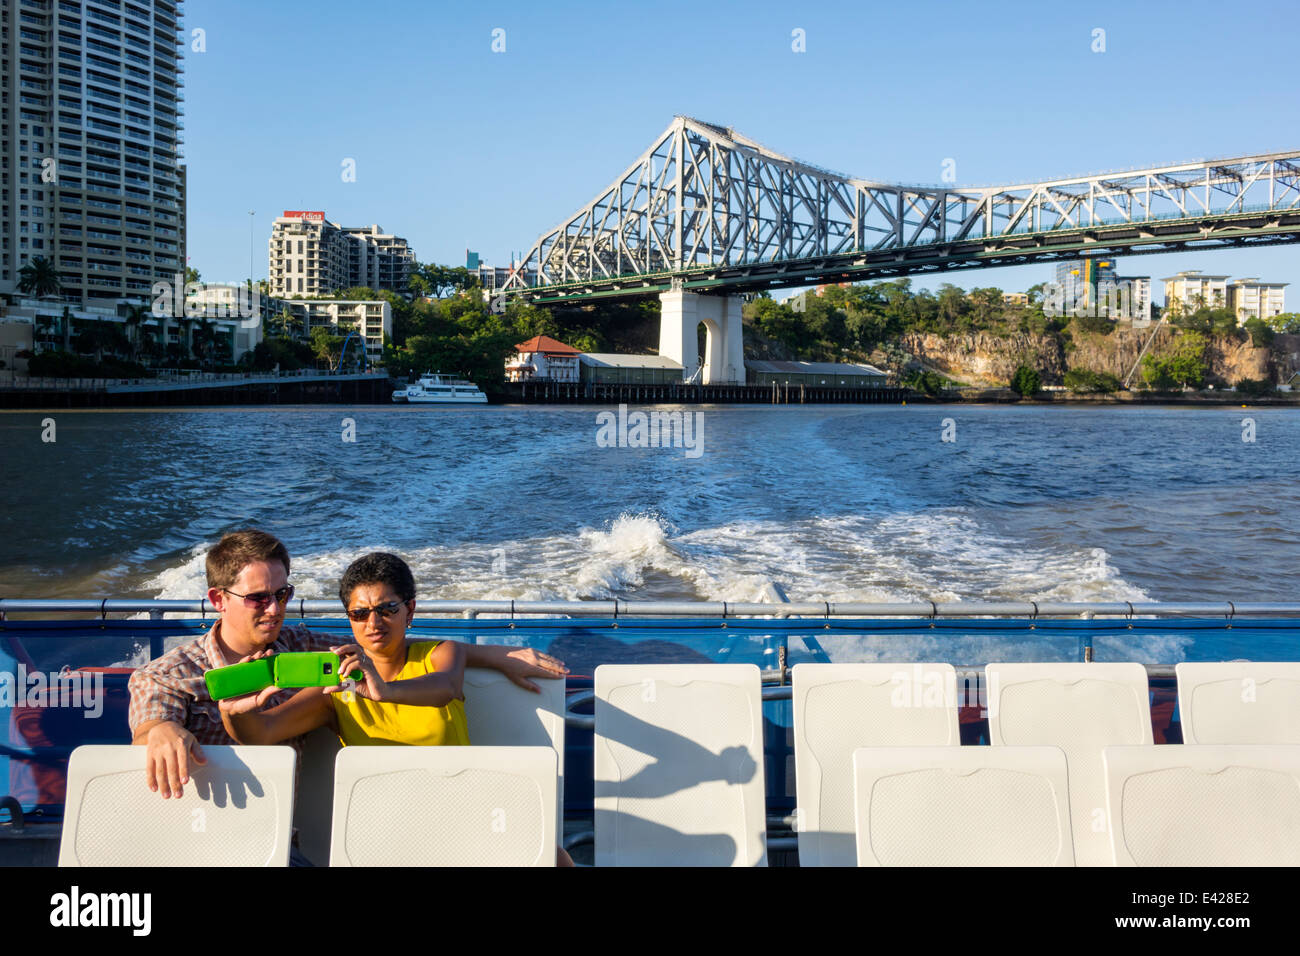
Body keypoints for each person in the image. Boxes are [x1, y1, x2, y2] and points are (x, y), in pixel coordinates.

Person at [128, 529, 567, 800]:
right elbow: (150, 722)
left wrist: (494, 653)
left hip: (280, 839)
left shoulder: (303, 648)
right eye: (259, 597)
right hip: (196, 831)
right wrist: (162, 731)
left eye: (282, 594)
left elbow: (386, 645)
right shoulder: (171, 675)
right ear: (218, 600)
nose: (275, 608)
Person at [220, 551, 575, 865]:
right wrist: (235, 713)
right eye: (359, 614)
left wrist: (384, 690)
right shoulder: (336, 689)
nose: (373, 624)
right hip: (386, 828)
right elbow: (262, 732)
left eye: (387, 609)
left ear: (410, 610)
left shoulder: (439, 655)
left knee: (548, 852)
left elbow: (445, 688)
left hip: (462, 811)